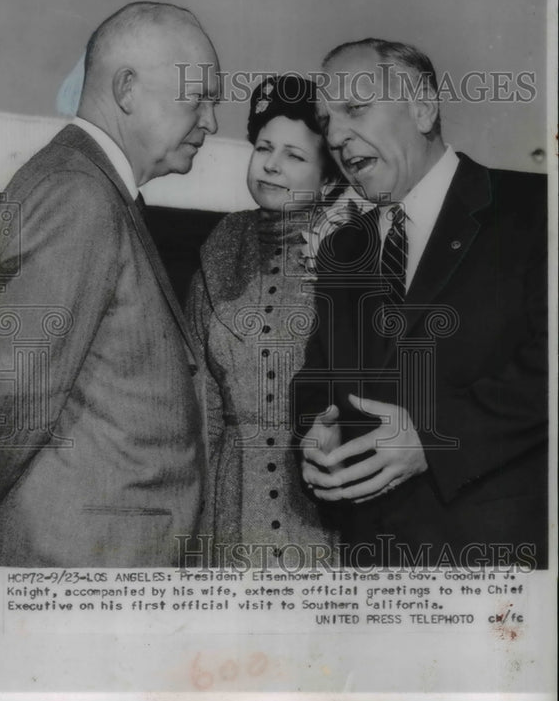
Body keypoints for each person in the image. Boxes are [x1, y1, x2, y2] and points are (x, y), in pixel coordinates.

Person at [0, 2, 221, 566]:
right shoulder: (78, 194)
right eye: (197, 96)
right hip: (73, 570)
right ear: (127, 89)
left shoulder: (92, 187)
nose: (211, 120)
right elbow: (10, 398)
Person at [294, 39, 547, 569]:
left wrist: (434, 437)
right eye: (326, 120)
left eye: (355, 109)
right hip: (371, 564)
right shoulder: (343, 248)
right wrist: (316, 427)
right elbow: (318, 378)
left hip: (499, 566)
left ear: (424, 108)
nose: (336, 136)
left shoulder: (537, 209)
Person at [187, 75, 344, 567]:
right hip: (227, 503)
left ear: (329, 178)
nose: (271, 165)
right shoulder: (220, 244)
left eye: (295, 156)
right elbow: (199, 397)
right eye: (263, 148)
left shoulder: (356, 251)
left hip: (320, 506)